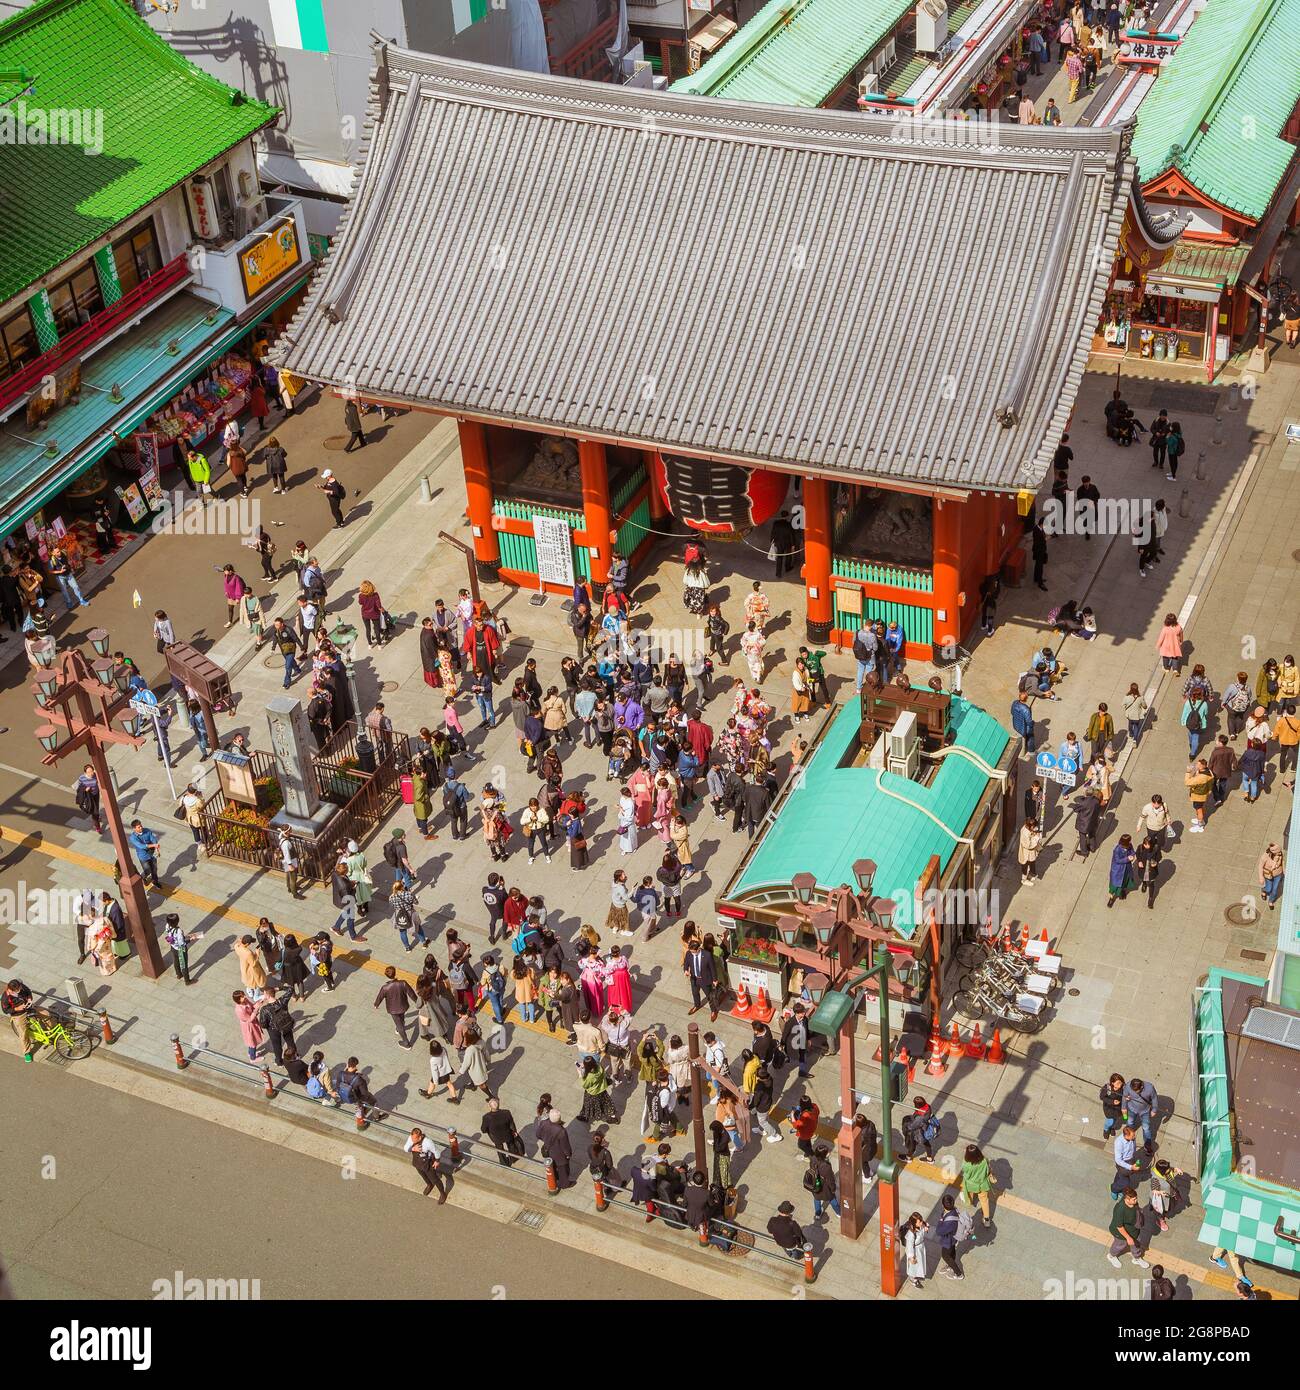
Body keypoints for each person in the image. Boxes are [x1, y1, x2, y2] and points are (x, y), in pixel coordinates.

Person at [373, 965, 417, 1048]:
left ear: (386, 975)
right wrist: (417, 1001)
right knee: (402, 1017)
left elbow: (380, 997)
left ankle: (406, 1043)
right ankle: (401, 1026)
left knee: (399, 1025)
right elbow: (411, 993)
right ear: (395, 973)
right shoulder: (403, 983)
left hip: (393, 1009)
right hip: (403, 1006)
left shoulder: (385, 988)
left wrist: (376, 1004)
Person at [1107, 1188, 1150, 1269]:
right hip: (1120, 1234)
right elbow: (1119, 1227)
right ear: (1127, 1199)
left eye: (1136, 1198)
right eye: (1134, 1199)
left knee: (1136, 1244)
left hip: (1134, 1230)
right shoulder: (1120, 1209)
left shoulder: (1134, 1203)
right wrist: (1128, 1238)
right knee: (1119, 1245)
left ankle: (1136, 1258)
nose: (1136, 1200)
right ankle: (1111, 1256)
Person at [405, 1128, 447, 1202]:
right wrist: (413, 1149)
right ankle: (429, 1184)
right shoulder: (411, 1138)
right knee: (423, 1175)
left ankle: (442, 1193)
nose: (412, 1140)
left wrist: (437, 1161)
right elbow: (405, 1148)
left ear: (420, 1137)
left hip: (427, 1163)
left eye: (414, 1139)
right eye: (412, 1138)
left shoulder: (427, 1142)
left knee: (435, 1179)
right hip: (417, 1162)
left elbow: (437, 1152)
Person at [960, 1143, 995, 1227]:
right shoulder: (984, 1161)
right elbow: (987, 1171)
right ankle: (987, 1220)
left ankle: (970, 1201)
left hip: (971, 1185)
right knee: (984, 1201)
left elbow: (965, 1175)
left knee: (969, 1195)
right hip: (983, 1184)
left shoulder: (966, 1164)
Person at [127, 818, 163, 889]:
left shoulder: (147, 831)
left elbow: (153, 839)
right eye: (139, 827)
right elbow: (141, 846)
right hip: (143, 856)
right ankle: (142, 876)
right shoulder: (133, 838)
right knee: (147, 870)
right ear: (134, 829)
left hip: (151, 854)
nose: (141, 828)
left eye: (141, 826)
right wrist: (153, 845)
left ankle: (155, 882)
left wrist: (156, 848)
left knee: (154, 869)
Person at [1134, 833, 1162, 909]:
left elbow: (1159, 857)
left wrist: (1156, 862)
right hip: (1143, 868)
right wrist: (1139, 861)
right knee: (1143, 877)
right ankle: (1144, 884)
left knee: (1152, 884)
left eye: (1147, 845)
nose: (1145, 846)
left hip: (1151, 869)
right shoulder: (1140, 847)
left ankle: (1150, 898)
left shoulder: (1156, 848)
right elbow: (1137, 854)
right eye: (1144, 844)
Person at [1185, 758, 1214, 831]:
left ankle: (1200, 825)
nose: (1196, 765)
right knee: (1201, 807)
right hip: (1204, 794)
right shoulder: (1208, 772)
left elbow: (1187, 782)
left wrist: (1188, 772)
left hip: (1198, 796)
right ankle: (1200, 819)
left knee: (1199, 809)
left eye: (1198, 764)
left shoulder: (1201, 777)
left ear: (1202, 766)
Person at [903, 1212, 929, 1288]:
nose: (921, 1222)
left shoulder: (921, 1225)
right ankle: (913, 1279)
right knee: (913, 1266)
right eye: (919, 1222)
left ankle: (918, 1274)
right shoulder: (911, 1234)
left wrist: (925, 1228)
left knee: (920, 1263)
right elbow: (909, 1246)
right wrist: (911, 1257)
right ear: (914, 1223)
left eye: (921, 1221)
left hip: (920, 1248)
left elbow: (923, 1228)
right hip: (915, 1250)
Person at [1018, 816, 1043, 886]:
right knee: (1025, 865)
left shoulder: (1030, 829)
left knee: (1031, 863)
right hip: (1026, 853)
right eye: (1033, 826)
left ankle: (1030, 875)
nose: (1034, 827)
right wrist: (1036, 837)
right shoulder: (1025, 833)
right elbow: (1028, 845)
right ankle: (1024, 879)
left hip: (1030, 853)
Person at [1259, 842, 1285, 910]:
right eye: (1278, 852)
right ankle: (1264, 890)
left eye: (1280, 851)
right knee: (1268, 888)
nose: (1279, 853)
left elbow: (1282, 862)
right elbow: (1260, 867)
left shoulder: (1280, 854)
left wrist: (1284, 871)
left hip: (1278, 874)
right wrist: (1261, 877)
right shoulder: (1265, 857)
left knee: (1275, 889)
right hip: (1268, 875)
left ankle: (1271, 901)